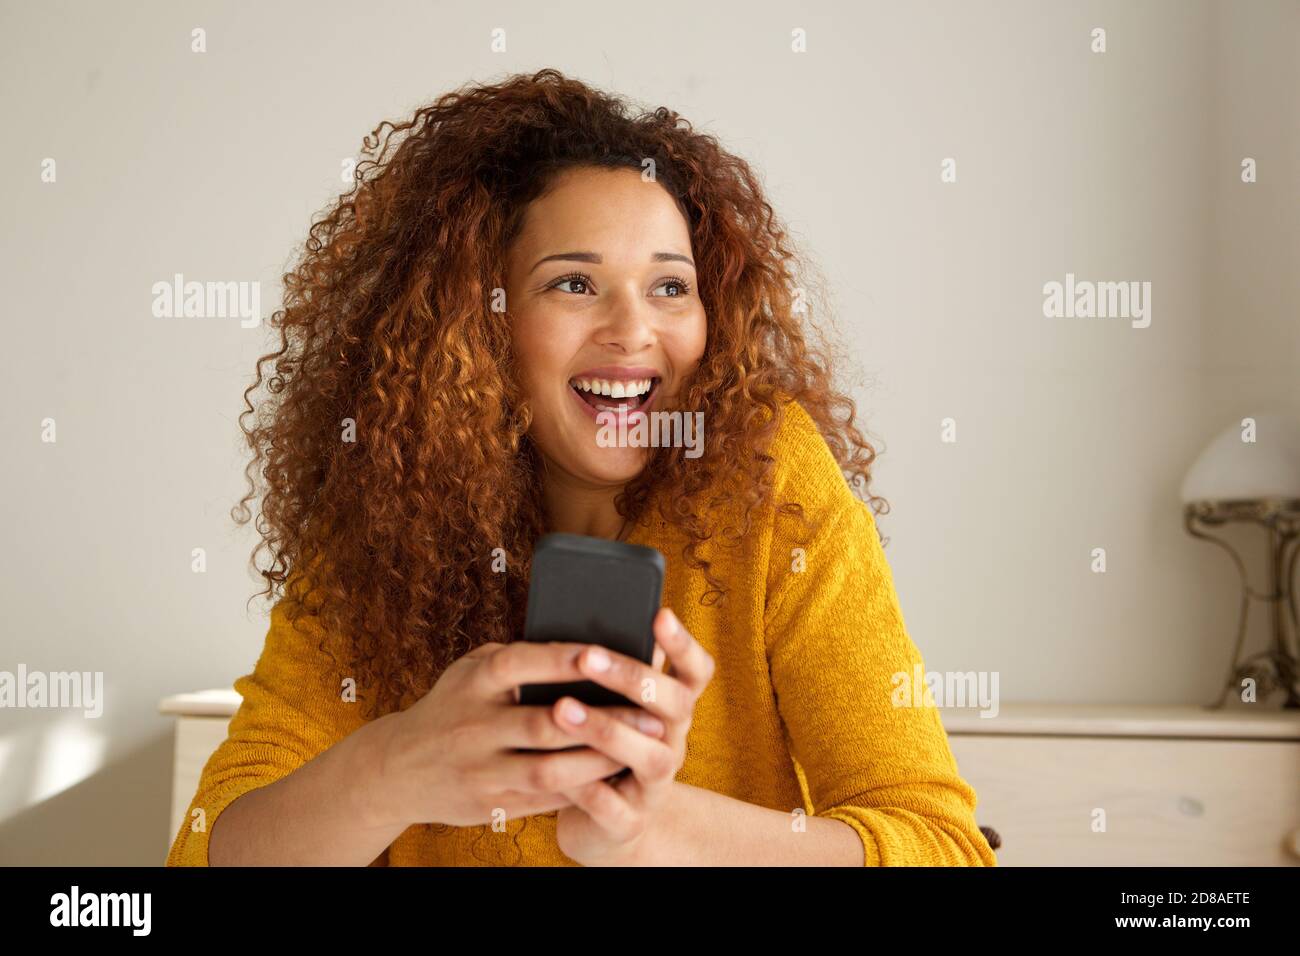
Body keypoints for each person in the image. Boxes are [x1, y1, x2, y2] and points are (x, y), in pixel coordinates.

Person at [166, 68, 996, 867]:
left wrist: (649, 834)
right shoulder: (387, 515)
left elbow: (944, 849)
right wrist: (395, 766)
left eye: (671, 287)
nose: (633, 329)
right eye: (573, 283)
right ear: (476, 324)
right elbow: (206, 852)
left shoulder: (770, 479)